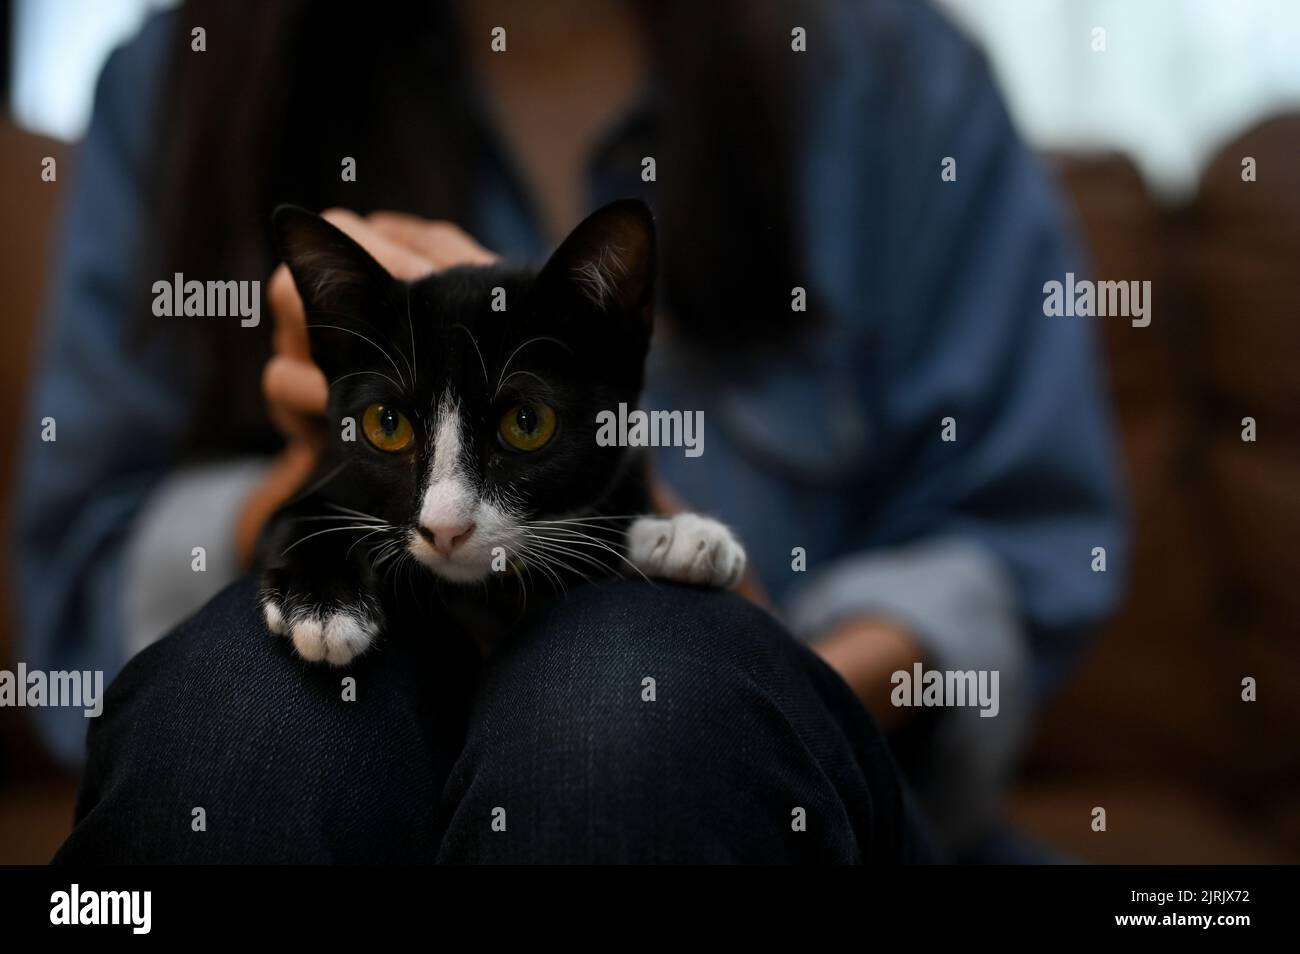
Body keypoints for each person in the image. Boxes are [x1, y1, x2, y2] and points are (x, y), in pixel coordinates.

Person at [14, 0, 1125, 862]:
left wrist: (765, 663)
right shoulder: (183, 77)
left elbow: (1019, 541)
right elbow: (81, 577)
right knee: (246, 719)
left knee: (621, 702)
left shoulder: (891, 72)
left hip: (737, 768)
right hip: (344, 699)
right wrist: (312, 482)